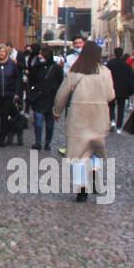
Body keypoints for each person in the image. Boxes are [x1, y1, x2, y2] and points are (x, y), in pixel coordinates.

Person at [52, 41, 115, 202]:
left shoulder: (75, 71)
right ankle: (94, 168)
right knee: (95, 146)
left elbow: (62, 94)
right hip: (99, 115)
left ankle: (81, 189)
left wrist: (57, 111)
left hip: (79, 116)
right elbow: (110, 96)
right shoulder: (105, 72)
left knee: (78, 152)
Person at [30, 46, 64, 152]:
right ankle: (38, 142)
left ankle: (48, 142)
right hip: (38, 99)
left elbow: (60, 82)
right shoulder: (37, 67)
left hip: (51, 99)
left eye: (42, 54)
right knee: (38, 122)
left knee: (49, 124)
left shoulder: (56, 68)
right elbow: (31, 80)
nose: (40, 56)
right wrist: (32, 93)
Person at [107, 47, 134, 133]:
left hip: (112, 87)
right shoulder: (126, 66)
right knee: (121, 107)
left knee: (111, 105)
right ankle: (119, 126)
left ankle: (112, 120)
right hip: (123, 89)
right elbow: (130, 79)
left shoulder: (110, 64)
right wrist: (130, 90)